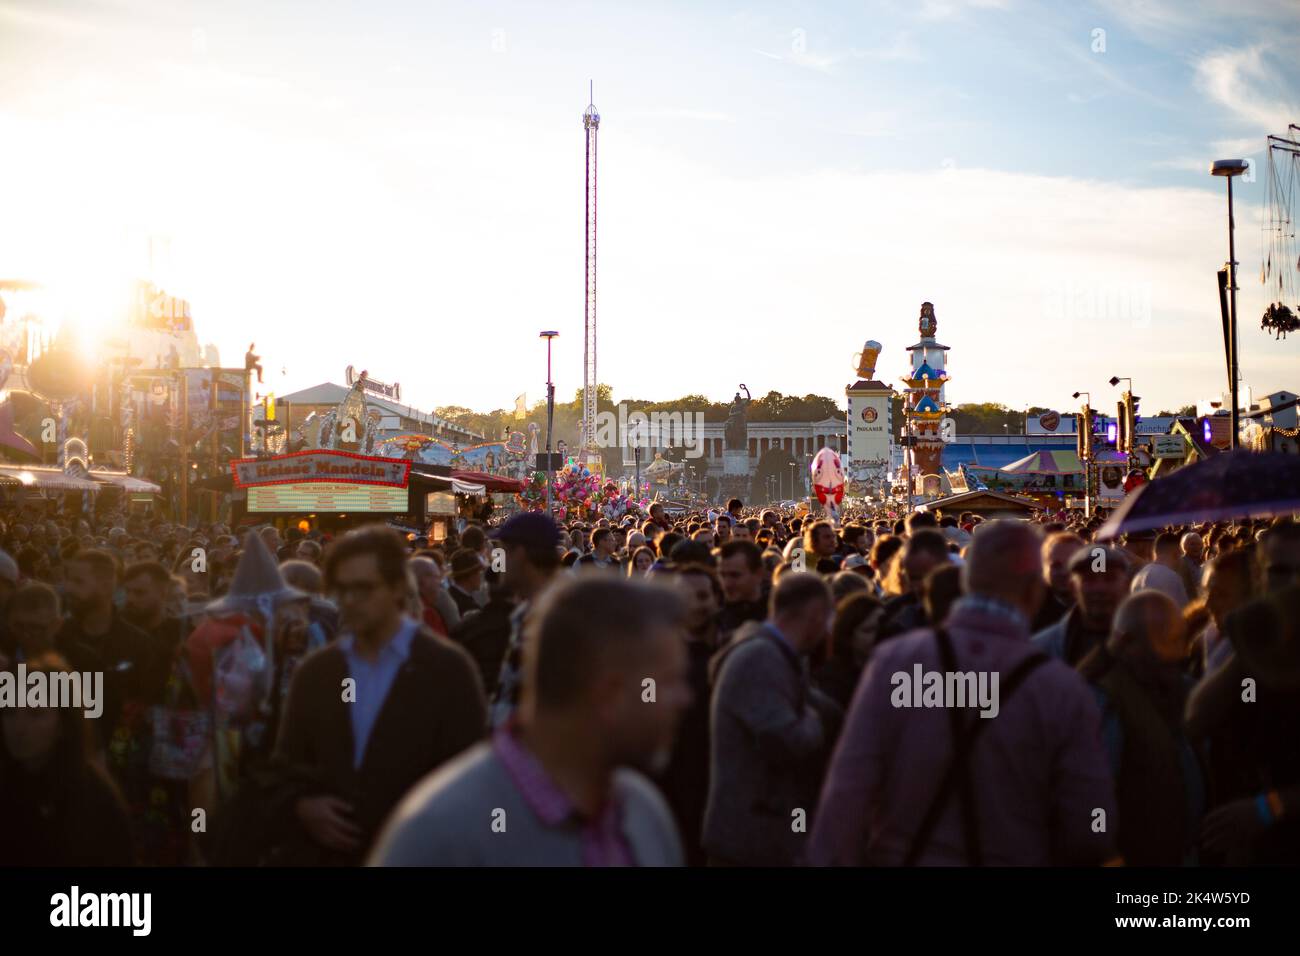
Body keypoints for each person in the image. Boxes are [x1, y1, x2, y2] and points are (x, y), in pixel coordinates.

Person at [809, 520, 1116, 866]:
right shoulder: (1060, 688)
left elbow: (848, 793)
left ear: (968, 582)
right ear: (1035, 590)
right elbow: (1090, 827)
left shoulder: (895, 663)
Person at [369, 577, 689, 866]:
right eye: (669, 681)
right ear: (610, 694)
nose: (684, 698)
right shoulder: (442, 831)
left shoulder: (642, 812)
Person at [272, 526, 486, 865]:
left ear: (398, 588)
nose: (350, 601)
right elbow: (286, 768)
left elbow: (470, 778)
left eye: (364, 589)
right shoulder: (318, 672)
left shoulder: (447, 669)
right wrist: (302, 804)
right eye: (342, 590)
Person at [703, 572, 843, 866]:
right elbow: (786, 740)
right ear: (816, 615)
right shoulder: (760, 658)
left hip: (766, 829)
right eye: (829, 617)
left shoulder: (779, 653)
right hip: (750, 838)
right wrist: (813, 718)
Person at [1078, 591, 1205, 866]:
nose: (1177, 654)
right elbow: (1092, 796)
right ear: (1126, 643)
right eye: (1164, 643)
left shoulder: (1173, 688)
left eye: (1178, 641)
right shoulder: (1104, 699)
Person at [0, 652, 135, 865]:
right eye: (8, 712)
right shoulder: (9, 784)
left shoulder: (93, 799)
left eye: (36, 714)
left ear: (63, 723)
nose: (19, 728)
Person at [655, 564, 722, 866]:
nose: (696, 603)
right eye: (686, 596)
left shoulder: (731, 653)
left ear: (717, 600)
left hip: (721, 788)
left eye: (703, 595)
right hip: (673, 789)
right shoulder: (655, 660)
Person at [490, 513, 562, 727]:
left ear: (520, 554)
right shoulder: (525, 614)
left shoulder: (556, 619)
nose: (497, 559)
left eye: (501, 551)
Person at [1032, 545, 1131, 667]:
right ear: (1073, 587)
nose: (1100, 588)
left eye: (1110, 578)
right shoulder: (1043, 648)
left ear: (1126, 585)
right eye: (1089, 579)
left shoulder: (1149, 644)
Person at [877, 529, 950, 641]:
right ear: (901, 575)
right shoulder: (892, 612)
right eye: (914, 578)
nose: (922, 585)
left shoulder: (964, 610)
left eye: (928, 576)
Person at [1031, 532, 1083, 632]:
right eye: (1056, 565)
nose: (1064, 572)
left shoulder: (1101, 608)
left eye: (1071, 564)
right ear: (1043, 567)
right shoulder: (1029, 613)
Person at [716, 540, 767, 640]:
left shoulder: (776, 617)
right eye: (722, 575)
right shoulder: (713, 623)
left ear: (758, 574)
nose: (727, 583)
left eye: (735, 575)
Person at [447, 548, 485, 616]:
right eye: (479, 572)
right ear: (471, 574)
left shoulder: (449, 595)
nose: (481, 576)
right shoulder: (469, 608)